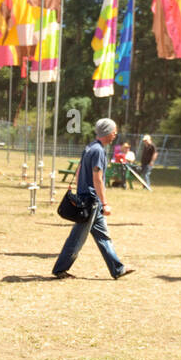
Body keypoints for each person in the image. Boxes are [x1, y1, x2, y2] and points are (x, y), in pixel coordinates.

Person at [52, 118, 136, 280]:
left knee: (103, 237)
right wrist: (104, 202)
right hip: (91, 202)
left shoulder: (89, 147)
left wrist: (80, 191)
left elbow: (78, 172)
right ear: (107, 132)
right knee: (76, 239)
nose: (115, 134)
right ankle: (60, 269)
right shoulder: (98, 151)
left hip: (88, 199)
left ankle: (117, 269)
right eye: (114, 131)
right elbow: (97, 178)